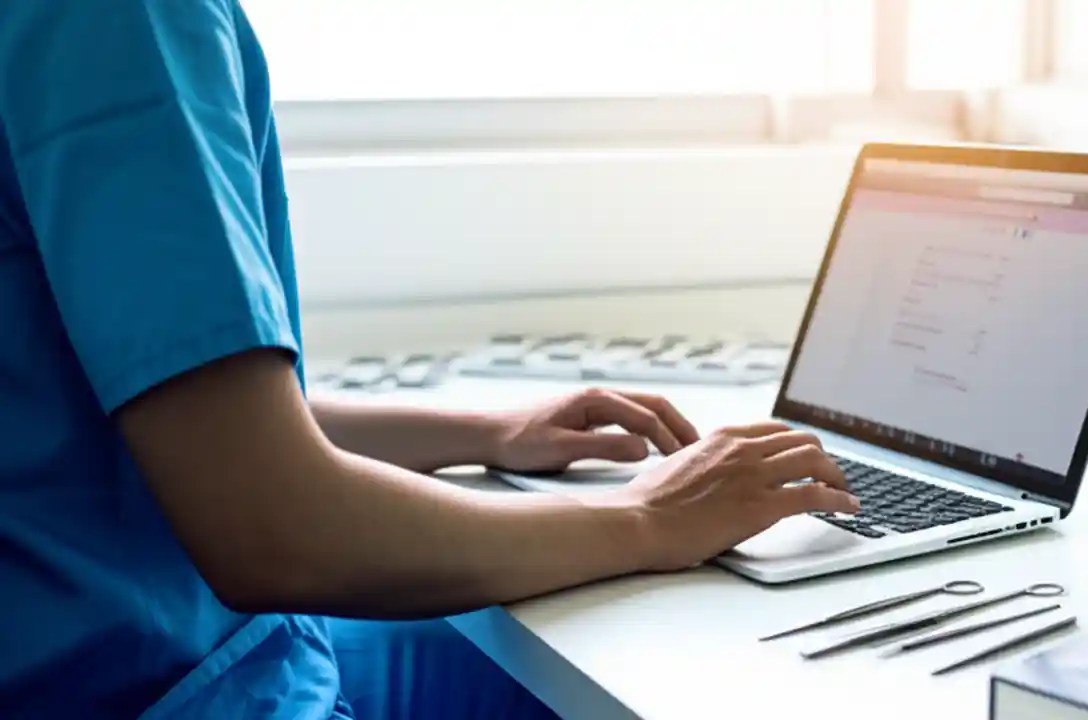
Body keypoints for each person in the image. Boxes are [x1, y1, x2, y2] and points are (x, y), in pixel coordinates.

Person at [0, 2, 859, 718]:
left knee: (499, 641)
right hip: (154, 688)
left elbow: (185, 423)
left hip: (122, 652)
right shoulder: (117, 19)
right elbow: (272, 530)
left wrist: (488, 430)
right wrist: (649, 519)